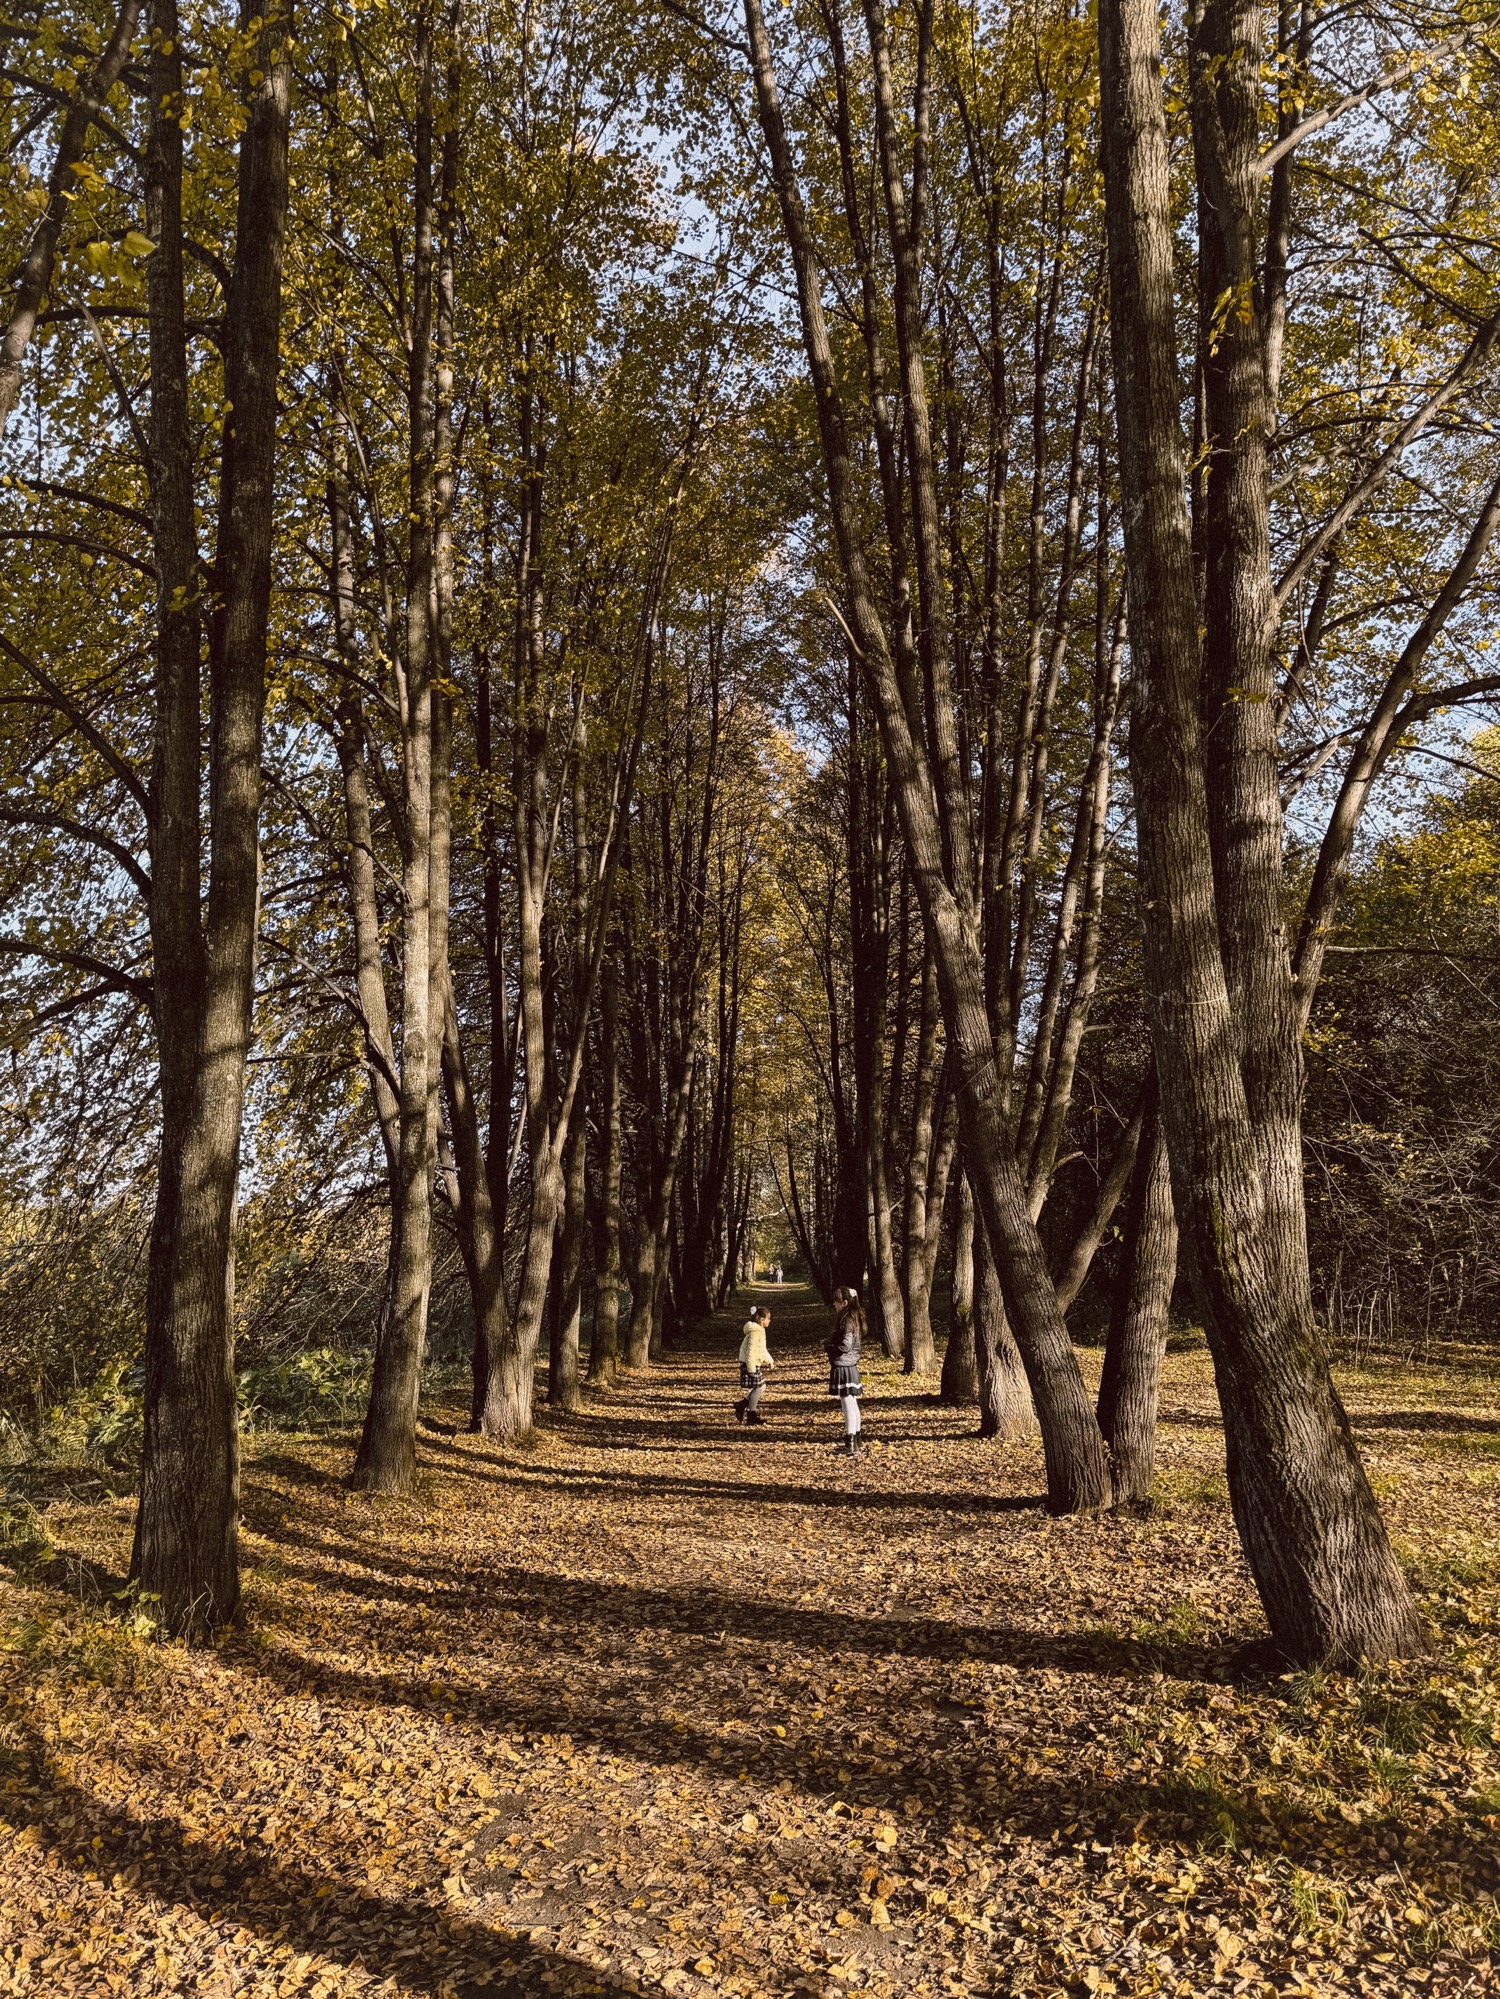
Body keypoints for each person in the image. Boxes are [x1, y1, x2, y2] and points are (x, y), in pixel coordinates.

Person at [826, 1286, 865, 1457]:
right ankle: (856, 1439)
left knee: (848, 1403)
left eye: (837, 1301)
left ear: (845, 1303)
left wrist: (830, 1347)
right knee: (852, 1402)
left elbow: (845, 1345)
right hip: (849, 1364)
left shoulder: (847, 1319)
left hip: (844, 1364)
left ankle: (851, 1442)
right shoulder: (854, 1317)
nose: (834, 1304)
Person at [735, 1306, 774, 1426]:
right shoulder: (756, 1332)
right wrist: (750, 1368)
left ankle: (742, 1405)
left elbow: (761, 1349)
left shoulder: (759, 1330)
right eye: (768, 1318)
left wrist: (769, 1360)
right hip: (750, 1363)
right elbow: (751, 1350)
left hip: (754, 1363)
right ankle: (750, 1413)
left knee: (761, 1386)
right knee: (759, 1387)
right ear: (761, 1320)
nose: (770, 1321)